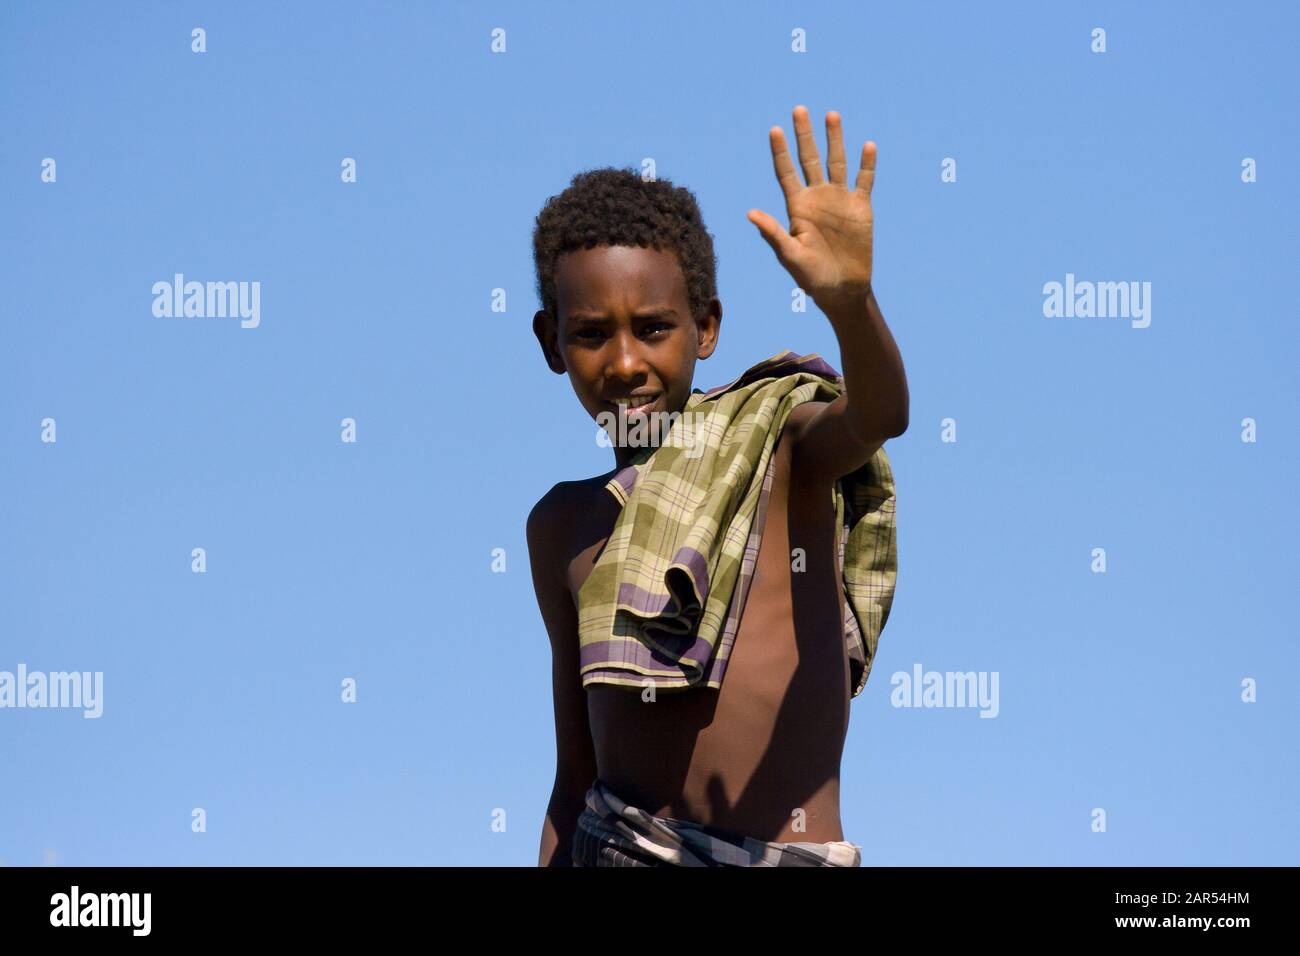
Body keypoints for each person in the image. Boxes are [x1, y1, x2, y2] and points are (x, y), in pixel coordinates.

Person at [528, 106, 909, 866]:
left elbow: (880, 414)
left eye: (655, 327)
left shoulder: (778, 447)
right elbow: (576, 777)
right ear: (551, 343)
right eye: (592, 333)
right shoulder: (562, 525)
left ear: (706, 328)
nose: (626, 362)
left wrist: (850, 304)